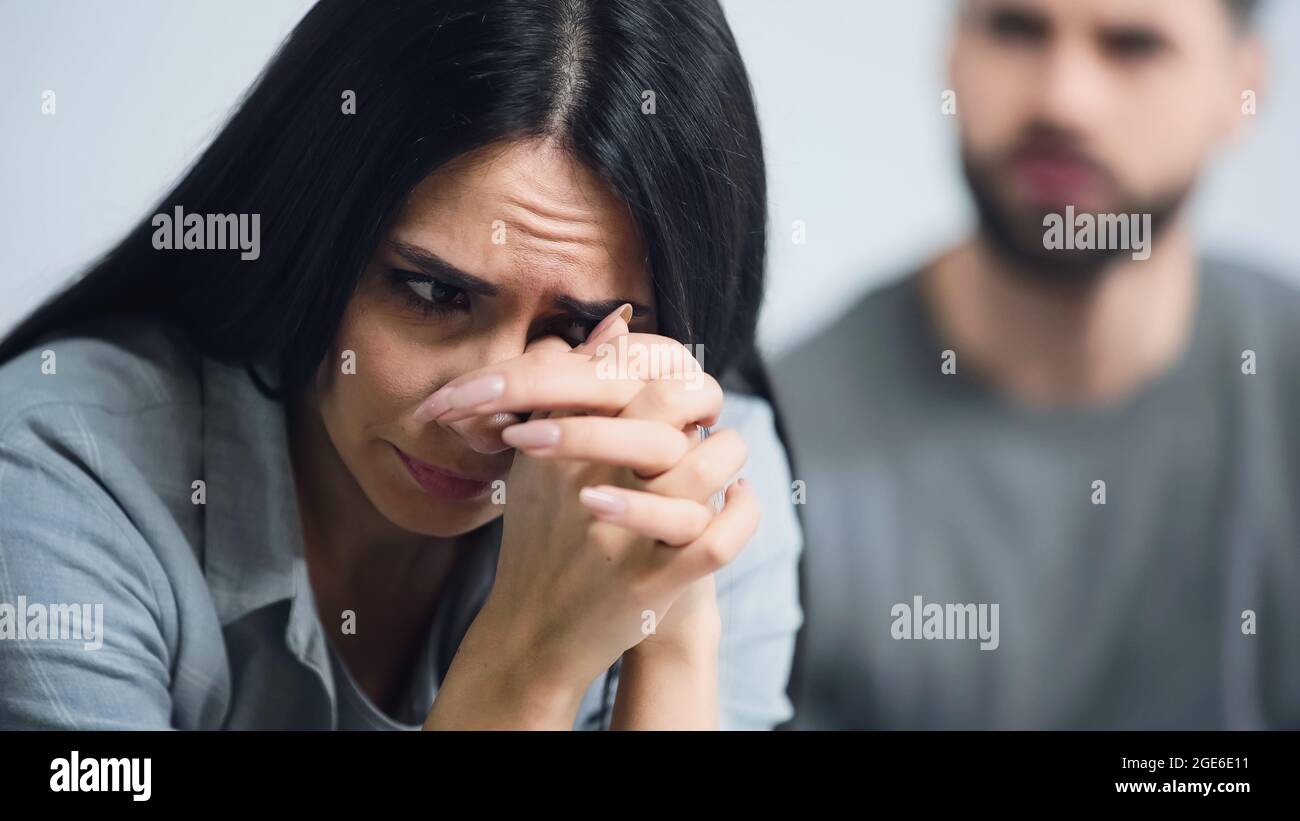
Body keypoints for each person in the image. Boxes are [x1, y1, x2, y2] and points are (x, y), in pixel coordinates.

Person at [0, 0, 802, 730]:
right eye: (432, 292)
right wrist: (531, 664)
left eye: (577, 331)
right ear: (312, 236)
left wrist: (675, 633)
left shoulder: (706, 481)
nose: (488, 403)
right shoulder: (66, 474)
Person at [777, 0, 1298, 729]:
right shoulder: (779, 457)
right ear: (952, 54)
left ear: (1244, 89)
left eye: (1133, 45)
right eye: (1017, 29)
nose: (1064, 100)